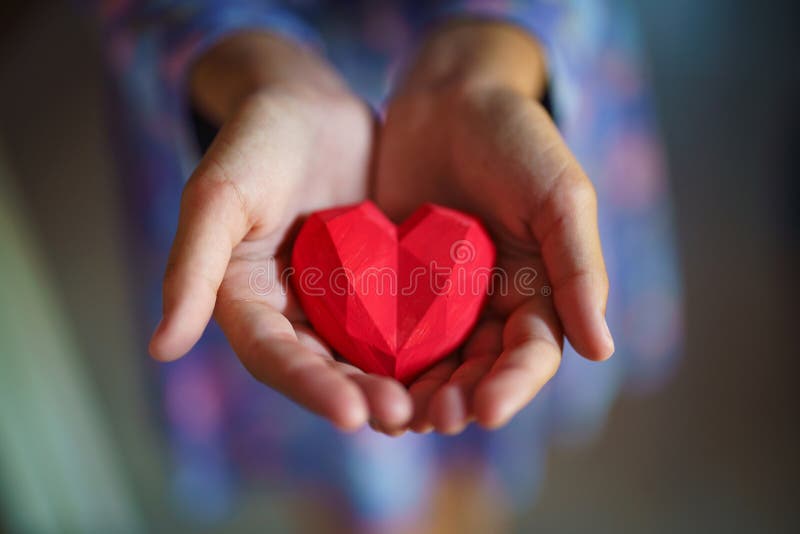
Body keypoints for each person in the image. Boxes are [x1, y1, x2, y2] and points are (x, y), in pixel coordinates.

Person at [94, 0, 682, 530]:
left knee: (476, 436)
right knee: (333, 451)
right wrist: (247, 66)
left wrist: (493, 58)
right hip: (237, 117)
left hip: (511, 77)